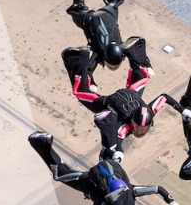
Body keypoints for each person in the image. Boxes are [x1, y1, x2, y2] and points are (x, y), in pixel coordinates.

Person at [29, 132, 185, 205]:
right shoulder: (108, 201)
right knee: (60, 174)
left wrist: (173, 202)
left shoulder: (132, 191)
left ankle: (109, 127)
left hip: (108, 165)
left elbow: (158, 189)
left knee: (107, 154)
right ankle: (41, 142)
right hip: (88, 180)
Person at [63, 53, 191, 157]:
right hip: (110, 101)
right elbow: (119, 138)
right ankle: (77, 57)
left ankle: (134, 50)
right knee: (80, 92)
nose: (139, 130)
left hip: (131, 94)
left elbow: (164, 98)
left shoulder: (150, 112)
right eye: (137, 127)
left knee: (142, 76)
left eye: (141, 128)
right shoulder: (126, 126)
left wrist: (182, 110)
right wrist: (119, 151)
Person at [64, 0, 150, 79]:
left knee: (113, 2)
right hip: (90, 19)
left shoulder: (123, 47)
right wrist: (89, 83)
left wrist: (146, 66)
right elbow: (89, 67)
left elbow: (137, 43)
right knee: (77, 8)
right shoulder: (100, 53)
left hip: (109, 13)